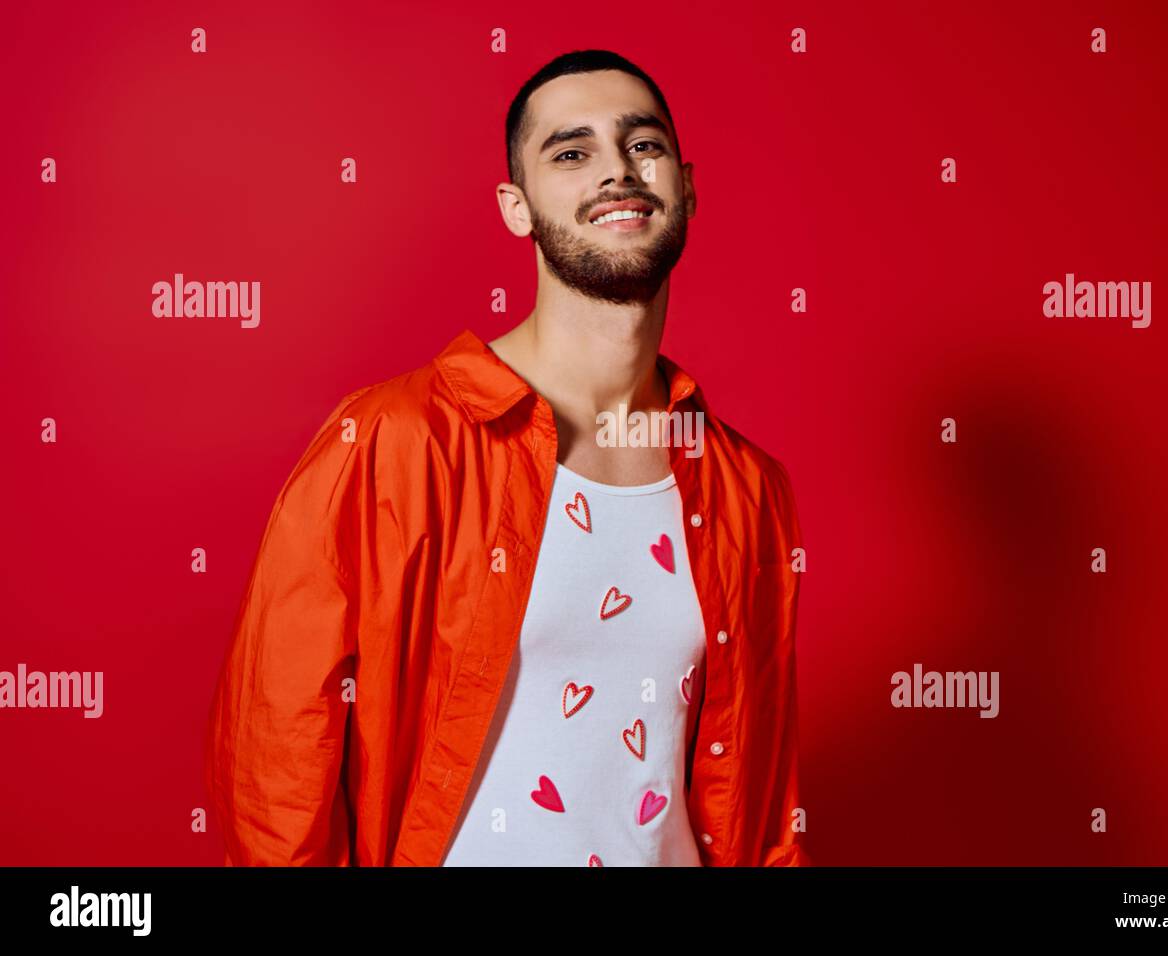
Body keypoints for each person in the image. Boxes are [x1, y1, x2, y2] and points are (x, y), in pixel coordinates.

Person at [203, 48, 810, 866]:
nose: (617, 173)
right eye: (571, 152)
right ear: (516, 207)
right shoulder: (391, 442)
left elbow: (762, 803)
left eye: (643, 144)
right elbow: (275, 760)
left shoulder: (746, 488)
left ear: (687, 187)